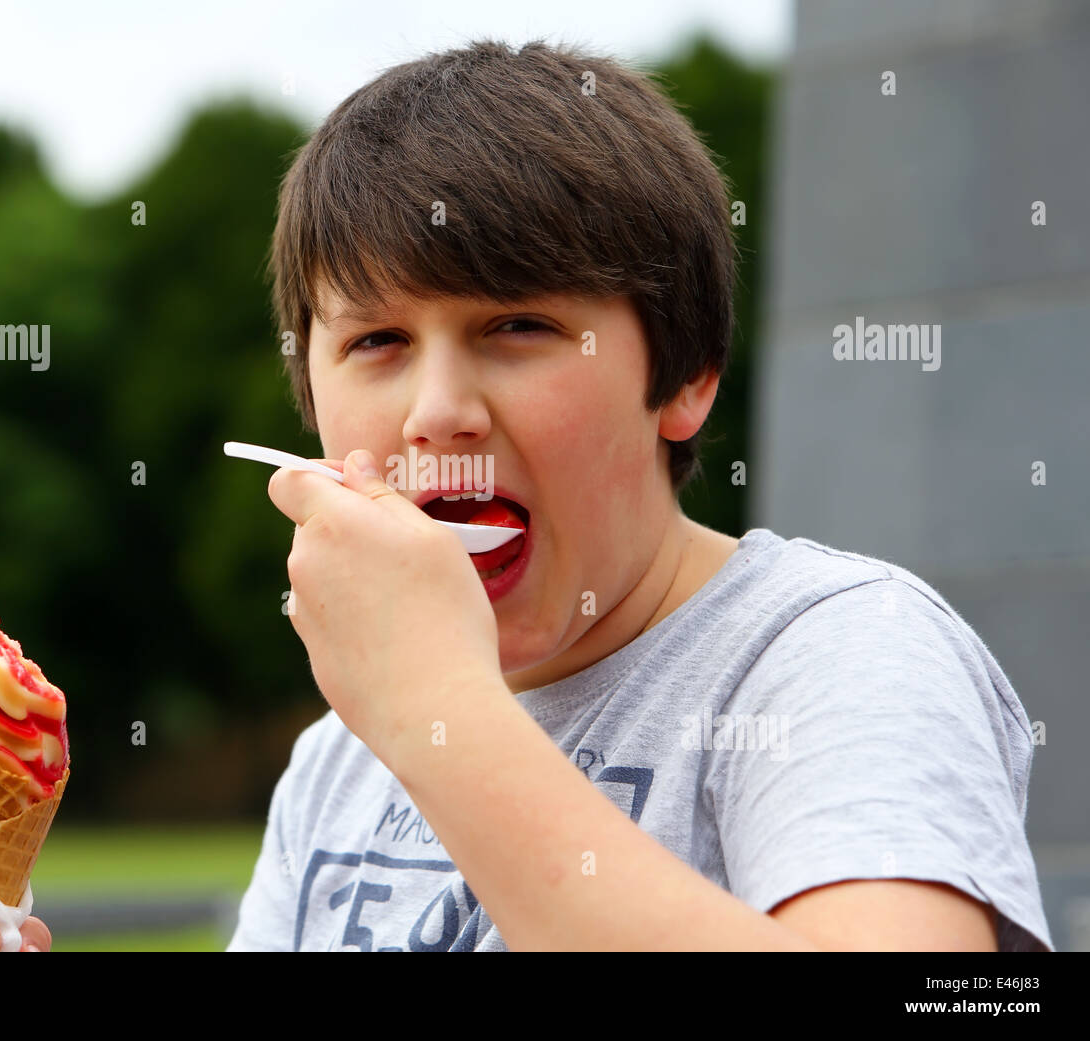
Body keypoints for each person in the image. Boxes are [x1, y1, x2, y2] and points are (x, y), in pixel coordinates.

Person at [227, 37, 1052, 951]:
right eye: (377, 341)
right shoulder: (338, 759)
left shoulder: (838, 653)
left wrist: (437, 717)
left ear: (687, 374)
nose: (438, 413)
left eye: (517, 325)